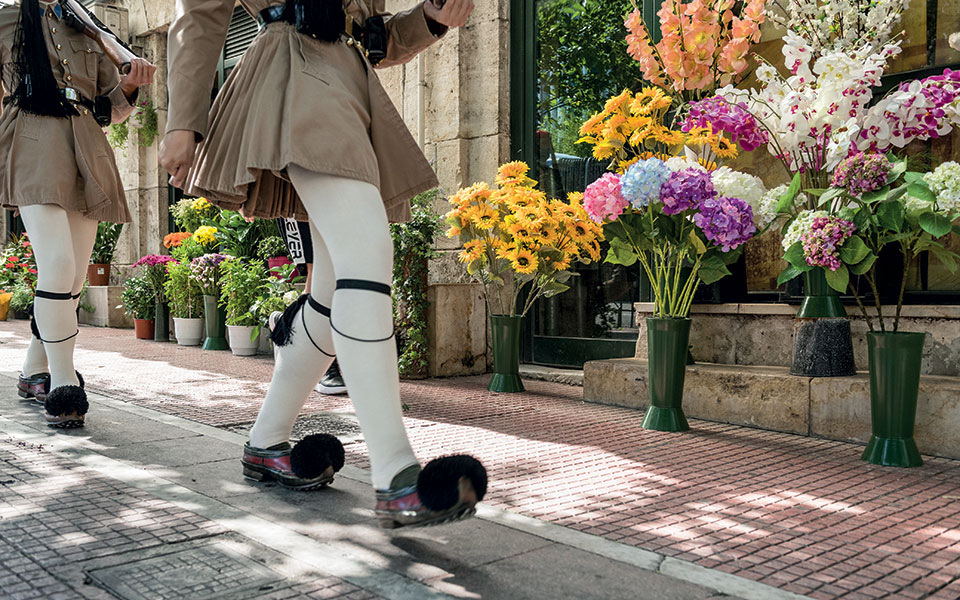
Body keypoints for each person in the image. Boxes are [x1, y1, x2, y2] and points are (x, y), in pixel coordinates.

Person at [160, 0, 486, 529]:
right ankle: (396, 475)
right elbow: (200, 15)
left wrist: (430, 19)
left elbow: (366, 31)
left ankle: (267, 441)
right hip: (293, 75)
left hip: (347, 82)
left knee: (332, 292)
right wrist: (183, 123)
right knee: (366, 256)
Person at [0, 0, 155, 428]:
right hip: (31, 139)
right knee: (58, 264)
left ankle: (35, 372)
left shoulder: (86, 26)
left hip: (85, 144)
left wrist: (130, 84)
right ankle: (64, 384)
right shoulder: (6, 17)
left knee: (72, 277)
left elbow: (112, 106)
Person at [276, 216, 346, 395]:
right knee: (317, 275)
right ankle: (321, 366)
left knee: (339, 275)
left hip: (335, 196)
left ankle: (290, 326)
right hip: (297, 200)